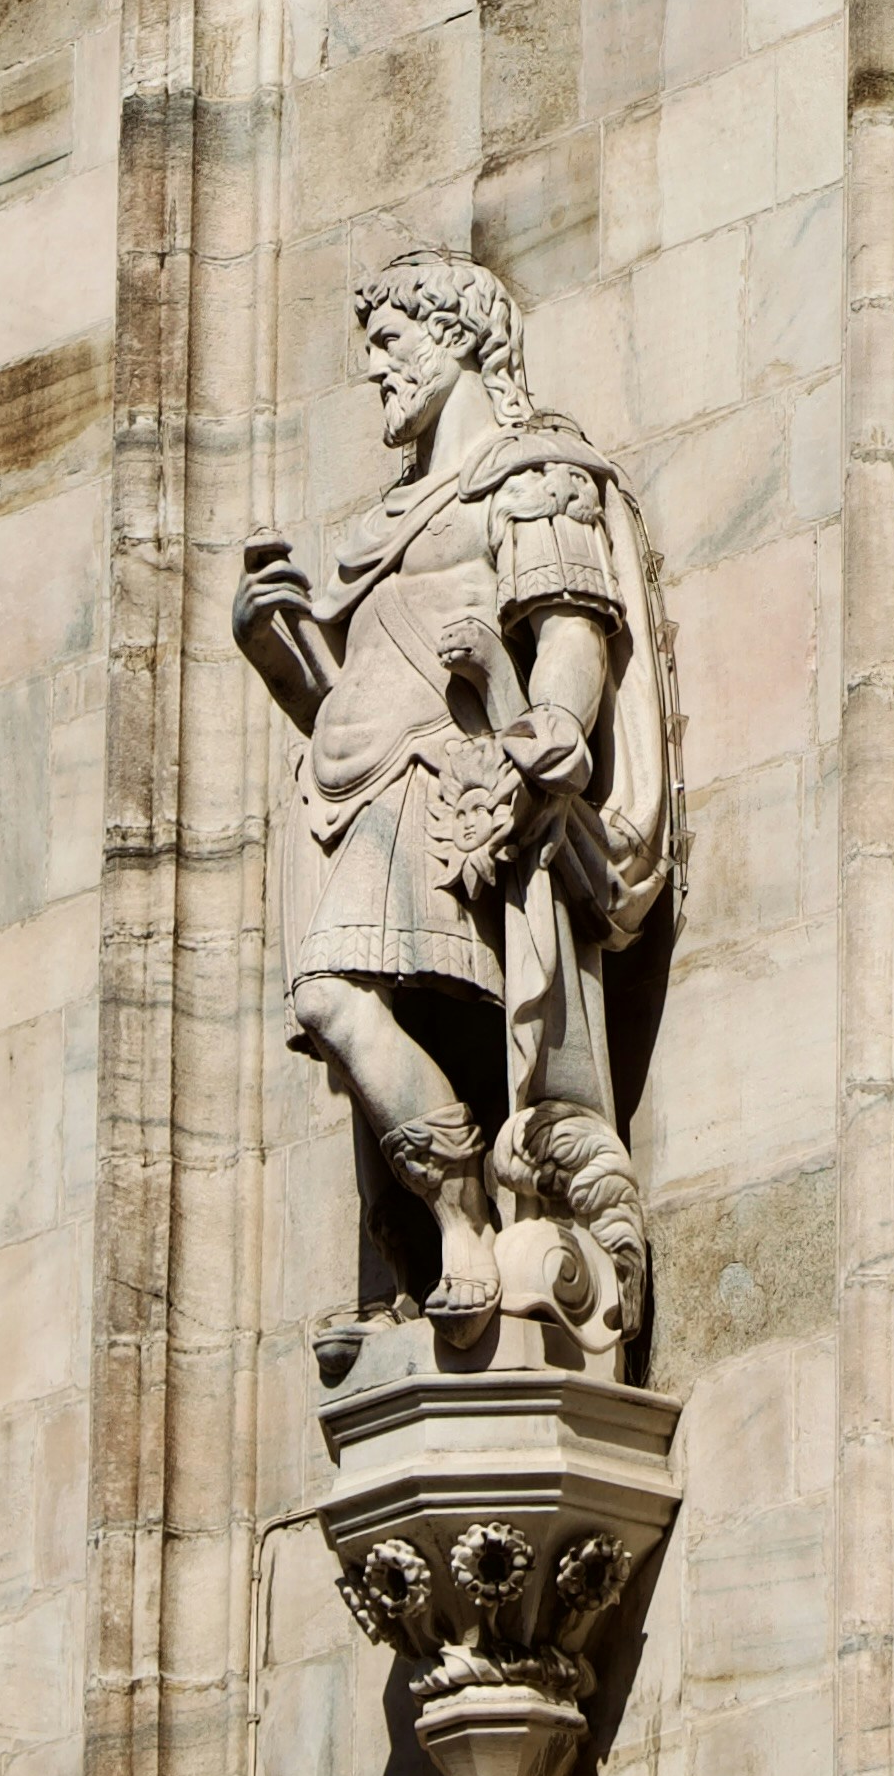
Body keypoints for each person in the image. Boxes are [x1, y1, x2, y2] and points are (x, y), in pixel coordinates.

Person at [232, 250, 675, 1353]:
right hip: (358, 800)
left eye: (392, 340)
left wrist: (547, 728)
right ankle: (428, 1243)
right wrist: (276, 650)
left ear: (463, 336)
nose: (375, 367)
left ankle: (463, 1212)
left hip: (450, 796)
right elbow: (348, 702)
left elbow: (573, 631)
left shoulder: (533, 474)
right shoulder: (385, 522)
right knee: (343, 1008)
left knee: (331, 996)